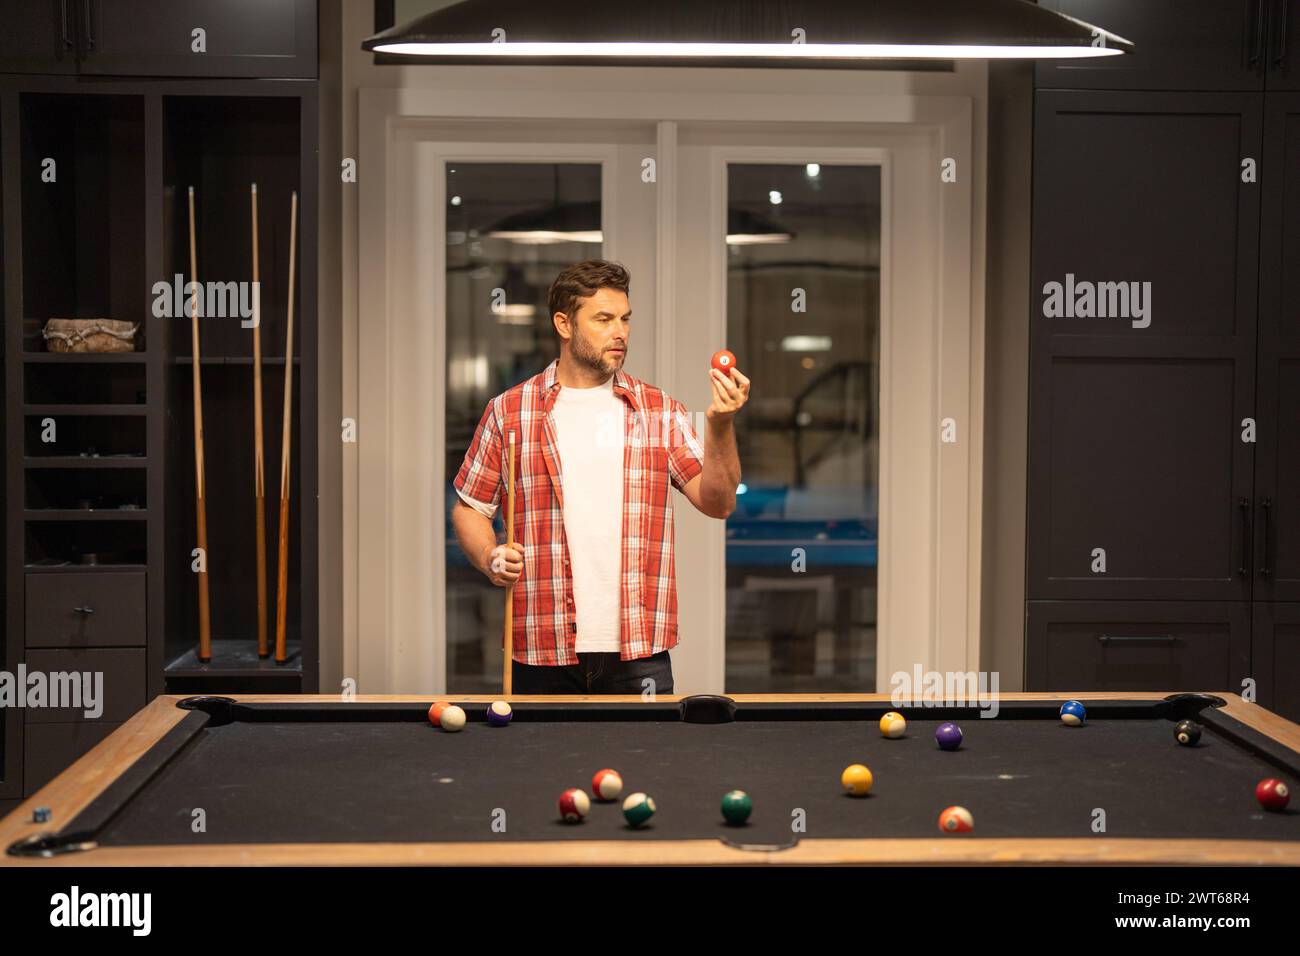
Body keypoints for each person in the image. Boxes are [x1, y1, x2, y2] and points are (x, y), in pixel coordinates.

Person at [452, 259, 749, 694]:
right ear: (564, 324)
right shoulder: (510, 410)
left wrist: (720, 425)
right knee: (534, 765)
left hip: (638, 652)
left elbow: (718, 502)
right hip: (540, 646)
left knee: (647, 763)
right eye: (604, 319)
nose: (621, 332)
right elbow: (470, 509)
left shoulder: (658, 410)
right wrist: (490, 557)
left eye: (625, 319)